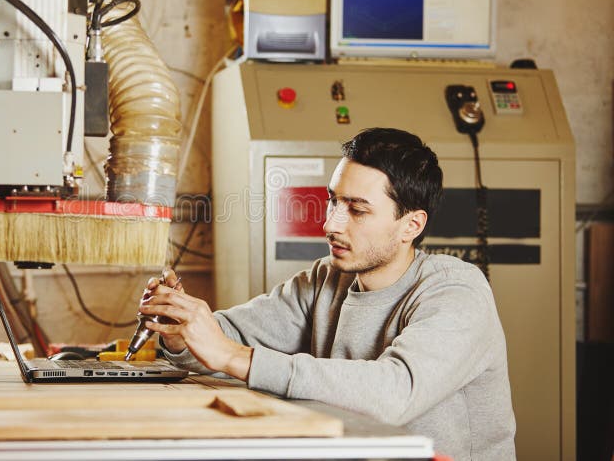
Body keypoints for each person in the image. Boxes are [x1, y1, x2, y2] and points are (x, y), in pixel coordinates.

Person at [140, 127, 516, 461]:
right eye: (334, 201)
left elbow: (393, 394)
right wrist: (181, 330)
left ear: (411, 225)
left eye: (357, 210)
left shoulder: (457, 292)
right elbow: (225, 340)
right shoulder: (326, 279)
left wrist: (234, 356)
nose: (330, 224)